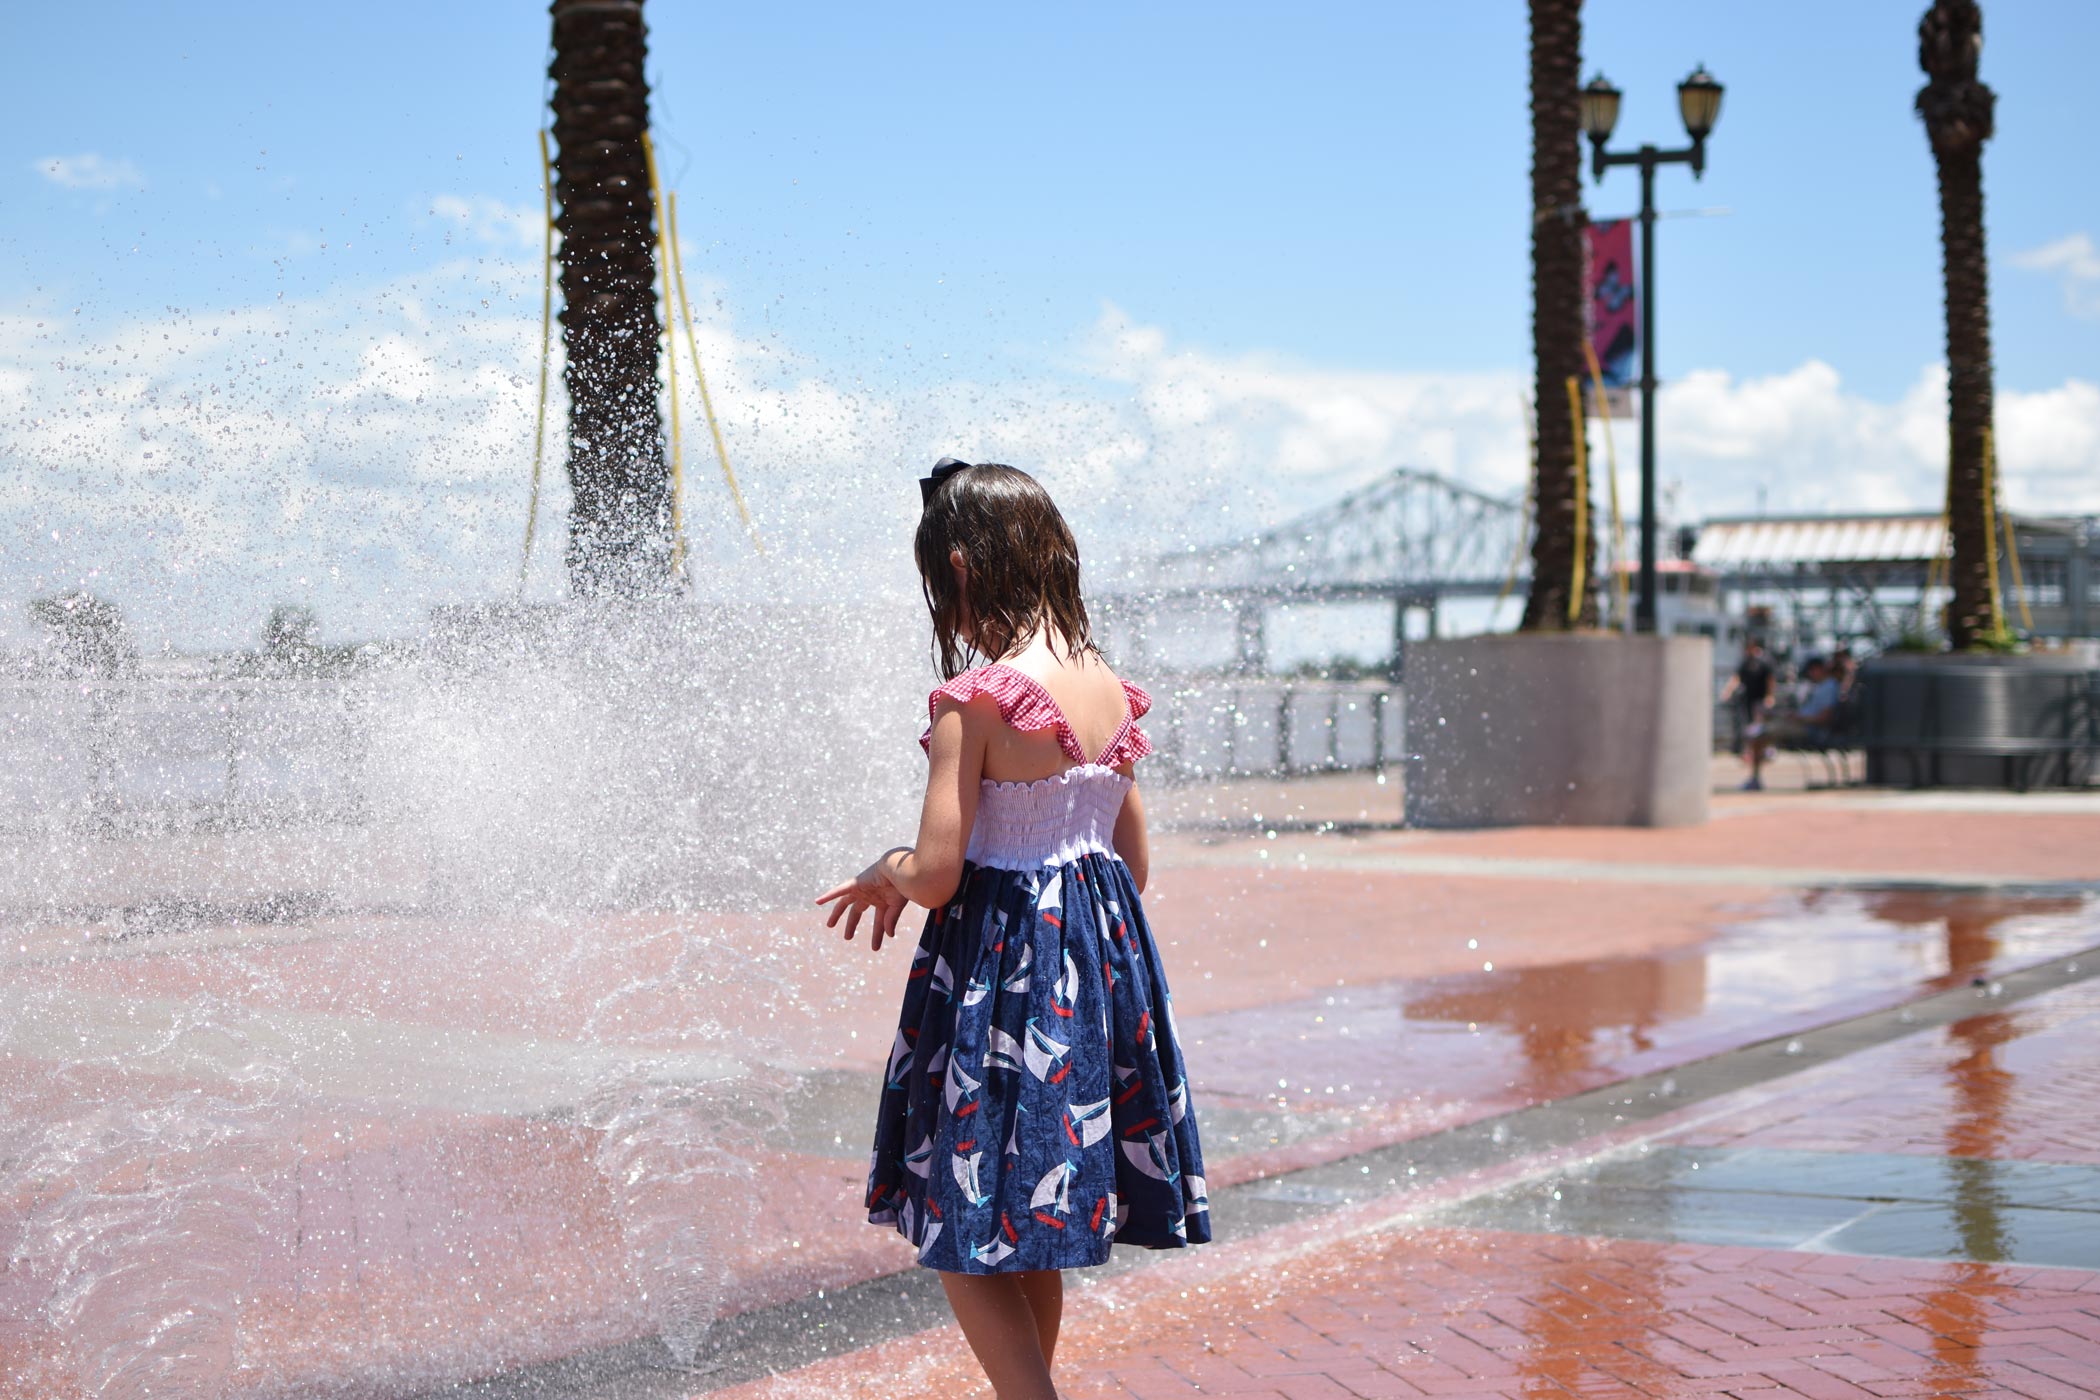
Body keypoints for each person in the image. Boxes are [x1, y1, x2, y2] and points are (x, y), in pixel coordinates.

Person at [816, 459, 1209, 1400]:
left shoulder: (976, 700)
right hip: (1098, 969)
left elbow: (938, 870)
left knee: (961, 1220)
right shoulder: (1108, 688)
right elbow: (1133, 865)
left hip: (998, 978)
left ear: (959, 566)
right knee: (1029, 1216)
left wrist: (886, 870)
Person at [1743, 655, 1842, 791]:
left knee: (1760, 735)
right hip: (1802, 724)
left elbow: (1824, 718)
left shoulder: (1829, 687)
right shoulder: (1819, 686)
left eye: (1811, 670)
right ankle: (1759, 765)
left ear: (1818, 669)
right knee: (1765, 724)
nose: (1810, 674)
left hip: (1809, 728)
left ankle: (1756, 775)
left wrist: (1799, 718)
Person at [1720, 637, 1775, 759]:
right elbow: (1737, 677)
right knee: (1748, 726)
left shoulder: (1764, 660)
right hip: (1748, 699)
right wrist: (1727, 691)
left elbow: (1770, 679)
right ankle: (1749, 751)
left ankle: (1763, 751)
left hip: (1760, 699)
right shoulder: (1745, 661)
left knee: (1760, 726)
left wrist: (1770, 696)